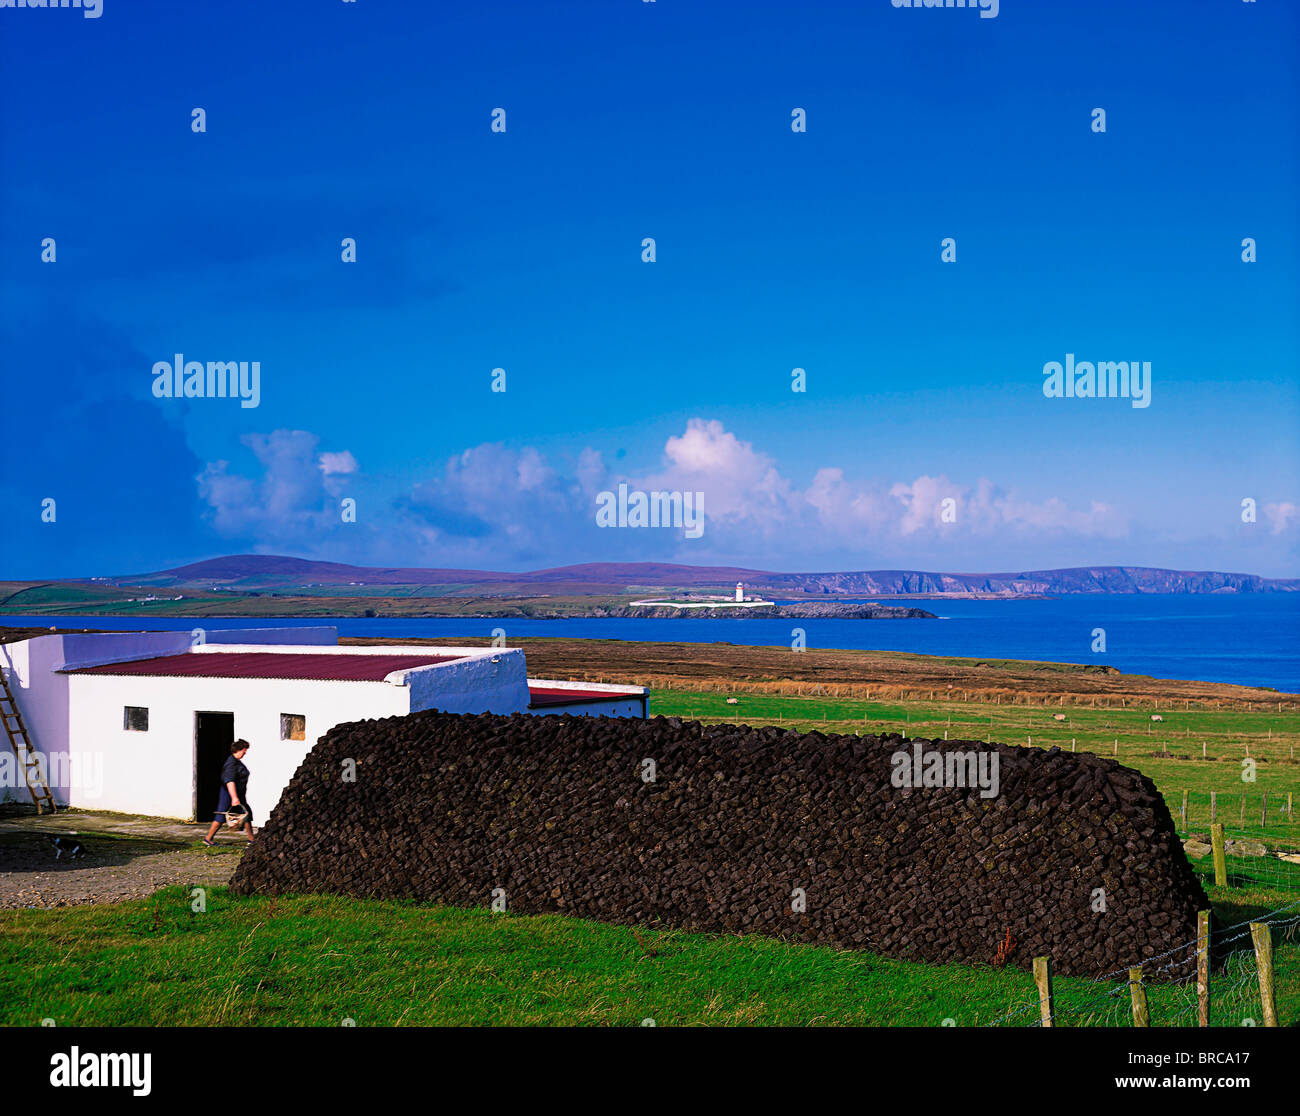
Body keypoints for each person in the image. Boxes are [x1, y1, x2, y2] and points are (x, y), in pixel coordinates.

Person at [203, 739, 255, 845]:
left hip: (239, 793)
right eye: (244, 751)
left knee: (246, 814)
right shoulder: (231, 763)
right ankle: (208, 839)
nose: (245, 753)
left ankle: (252, 840)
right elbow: (229, 781)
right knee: (221, 815)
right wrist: (234, 797)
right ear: (239, 750)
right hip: (228, 793)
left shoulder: (237, 762)